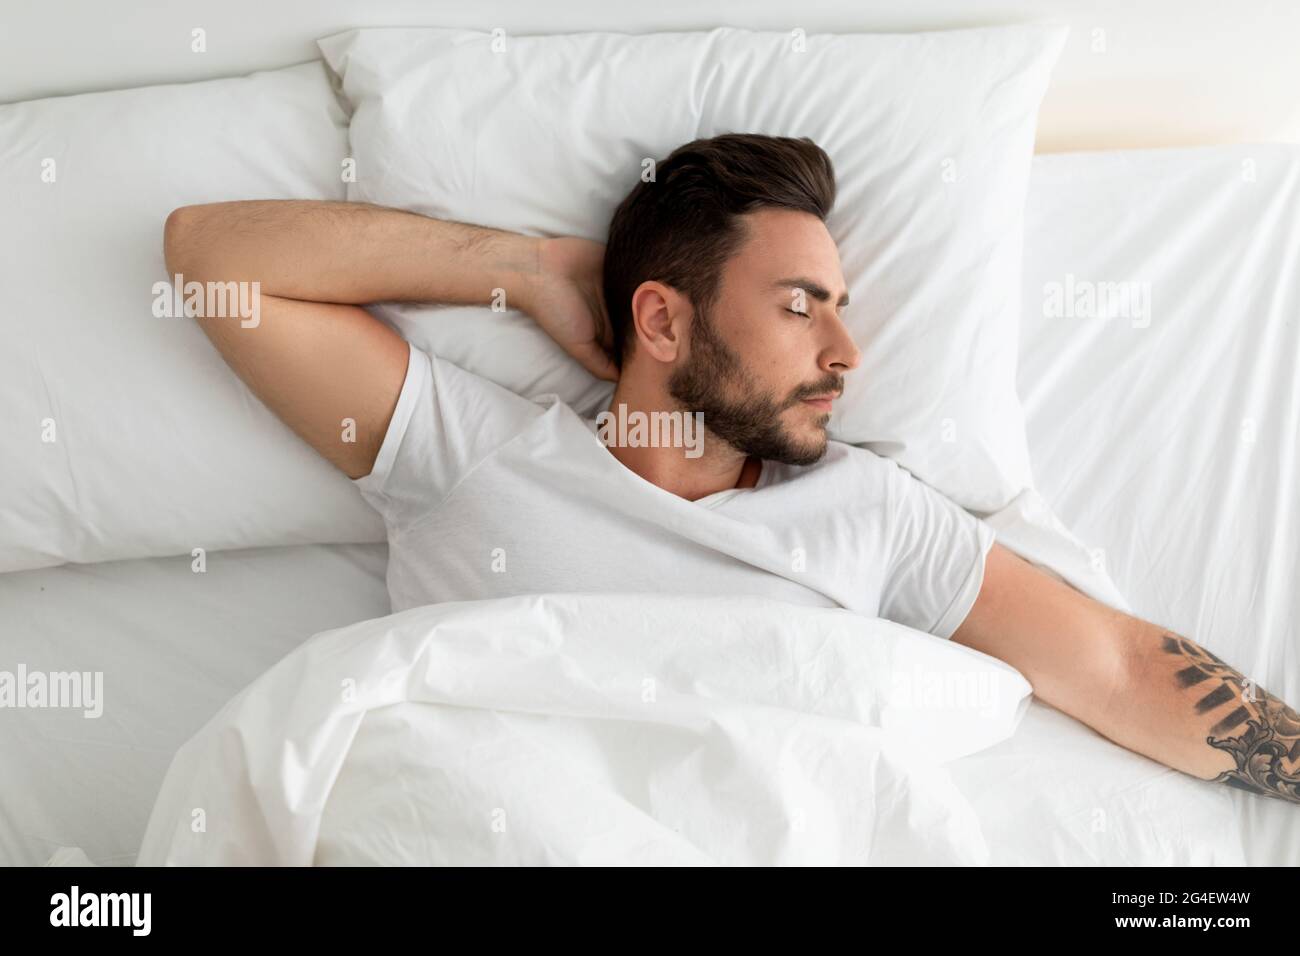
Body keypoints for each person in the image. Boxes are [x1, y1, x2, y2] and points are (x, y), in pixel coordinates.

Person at [163, 133, 1299, 806]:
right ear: (661, 319)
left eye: (842, 311)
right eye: (802, 306)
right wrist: (528, 268)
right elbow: (213, 260)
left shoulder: (873, 512)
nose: (845, 354)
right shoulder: (474, 458)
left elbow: (1115, 663)